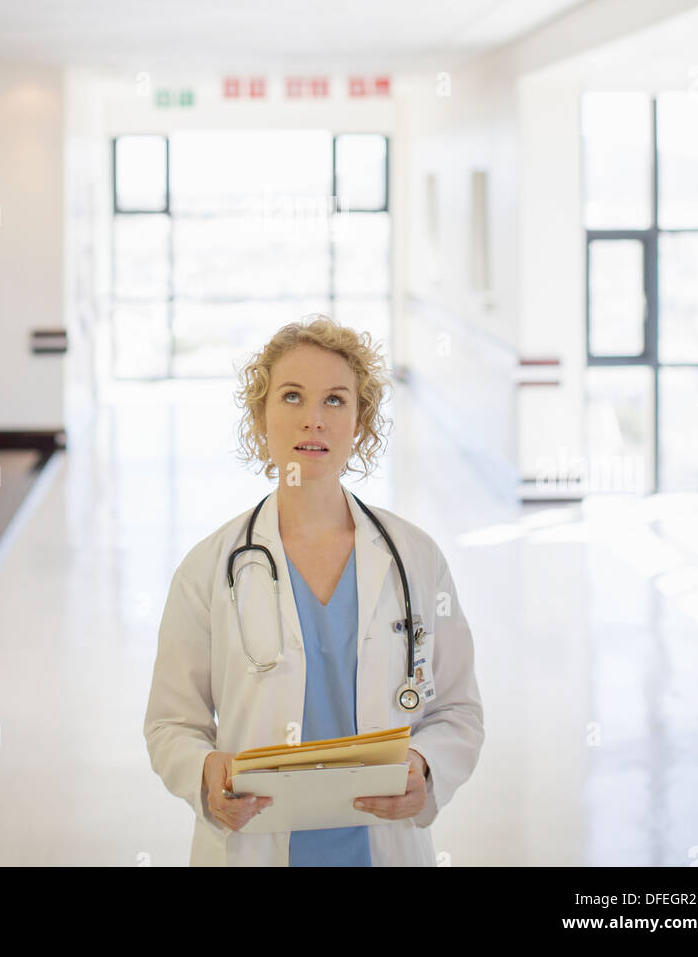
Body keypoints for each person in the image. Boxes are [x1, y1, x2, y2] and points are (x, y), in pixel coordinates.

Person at [143, 315, 484, 866]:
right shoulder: (209, 567)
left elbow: (458, 710)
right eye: (293, 397)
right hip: (254, 844)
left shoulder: (416, 558)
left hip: (382, 845)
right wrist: (202, 772)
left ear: (361, 422)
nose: (313, 421)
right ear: (261, 416)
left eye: (335, 401)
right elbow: (171, 722)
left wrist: (426, 765)